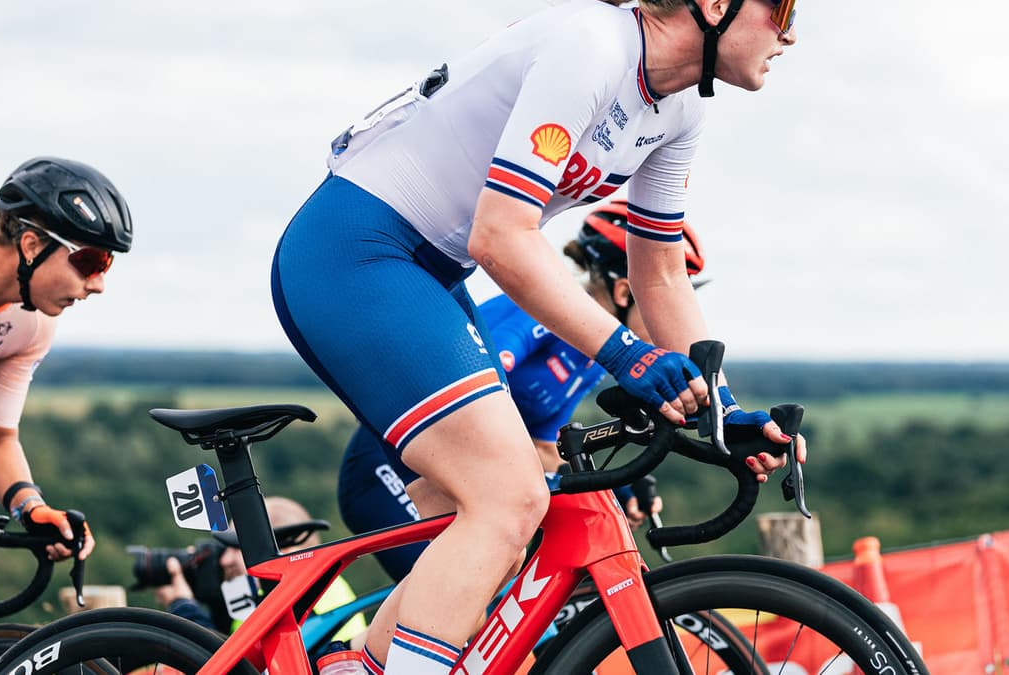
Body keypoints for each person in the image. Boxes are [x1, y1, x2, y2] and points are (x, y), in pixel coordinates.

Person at [270, 1, 802, 672]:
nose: (790, 33)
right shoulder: (593, 48)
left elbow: (660, 272)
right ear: (716, 4)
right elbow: (500, 237)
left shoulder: (680, 107)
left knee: (487, 521)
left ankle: (359, 666)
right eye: (781, 7)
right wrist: (626, 353)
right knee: (508, 495)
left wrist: (721, 407)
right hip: (357, 251)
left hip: (428, 266)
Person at [336, 200, 702, 582]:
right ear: (625, 292)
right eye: (662, 302)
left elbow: (543, 448)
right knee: (464, 604)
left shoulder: (589, 362)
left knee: (497, 600)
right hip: (393, 468)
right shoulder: (540, 318)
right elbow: (467, 397)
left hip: (460, 475)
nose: (670, 320)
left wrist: (615, 486)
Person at [0, 157, 132, 562]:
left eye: (108, 265)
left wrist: (29, 506)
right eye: (90, 261)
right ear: (33, 244)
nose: (99, 284)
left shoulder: (32, 326)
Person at [154, 496, 367, 641]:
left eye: (238, 548)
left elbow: (233, 666)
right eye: (225, 548)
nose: (224, 560)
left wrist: (184, 607)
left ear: (287, 547)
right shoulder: (323, 584)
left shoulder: (302, 596)